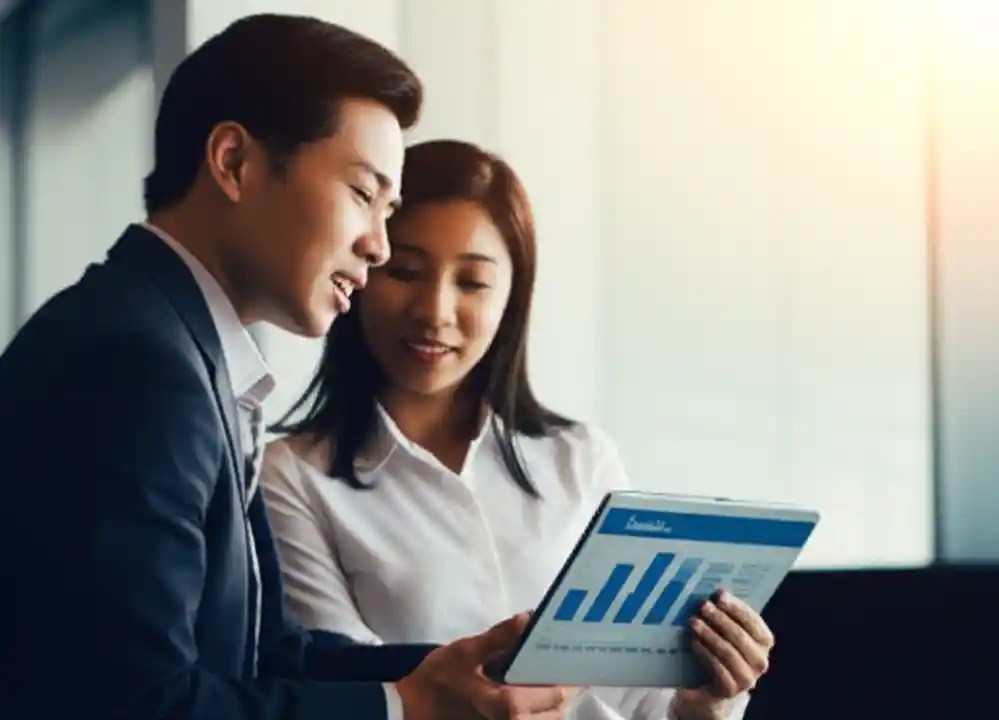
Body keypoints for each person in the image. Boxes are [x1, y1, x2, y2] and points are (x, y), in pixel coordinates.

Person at [0, 15, 576, 720]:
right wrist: (403, 707)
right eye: (364, 195)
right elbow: (137, 704)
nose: (377, 245)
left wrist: (449, 672)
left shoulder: (183, 351)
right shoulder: (137, 366)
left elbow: (270, 653)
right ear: (234, 162)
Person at [261, 140, 775, 720]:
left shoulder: (579, 460)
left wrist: (711, 700)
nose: (435, 311)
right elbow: (342, 691)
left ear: (512, 298)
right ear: (360, 271)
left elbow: (645, 703)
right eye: (404, 272)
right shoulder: (291, 477)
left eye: (473, 283)